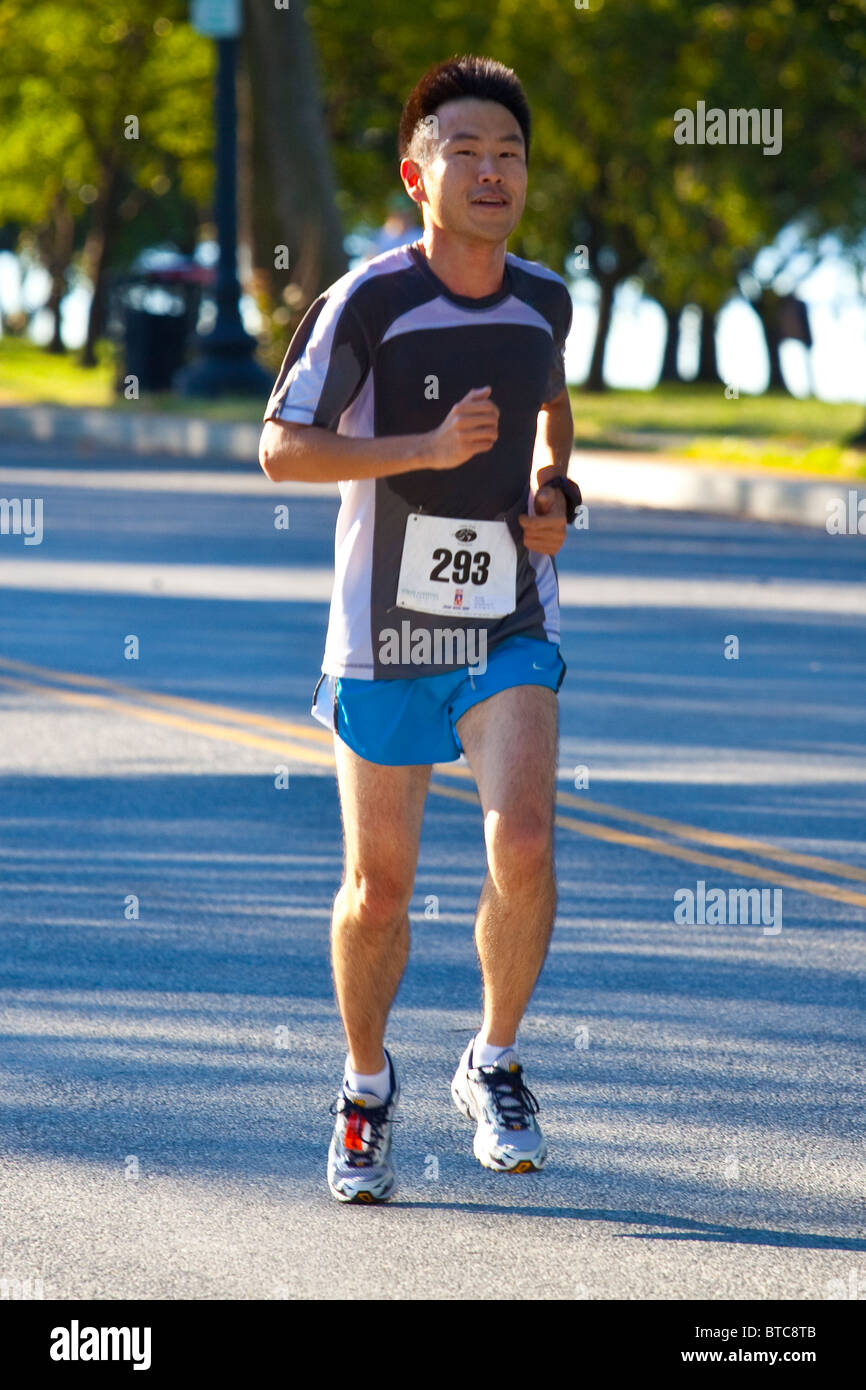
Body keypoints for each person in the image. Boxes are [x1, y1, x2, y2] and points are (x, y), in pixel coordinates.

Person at [259, 54, 581, 1204]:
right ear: (416, 173)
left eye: (509, 154)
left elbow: (552, 412)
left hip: (505, 622)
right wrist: (423, 451)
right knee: (378, 889)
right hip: (384, 637)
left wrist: (552, 496)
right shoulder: (367, 303)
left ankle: (492, 1059)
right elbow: (281, 449)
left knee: (525, 841)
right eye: (465, 151)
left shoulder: (545, 297)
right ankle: (362, 1085)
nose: (491, 171)